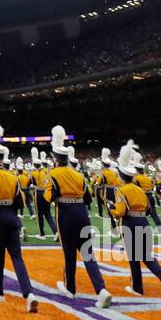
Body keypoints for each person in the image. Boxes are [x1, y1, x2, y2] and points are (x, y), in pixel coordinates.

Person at [46, 127, 112, 307]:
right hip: (82, 214)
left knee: (69, 254)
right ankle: (101, 290)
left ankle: (71, 288)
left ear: (55, 158)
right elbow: (88, 197)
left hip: (66, 215)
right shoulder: (79, 174)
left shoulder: (52, 174)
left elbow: (47, 198)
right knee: (88, 254)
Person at [112, 143, 161, 302]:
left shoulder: (122, 190)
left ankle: (137, 287)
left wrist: (112, 209)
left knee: (134, 258)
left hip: (130, 223)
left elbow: (120, 212)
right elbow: (149, 210)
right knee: (146, 256)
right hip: (144, 222)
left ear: (122, 176)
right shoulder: (140, 191)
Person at [0, 123, 39, 312]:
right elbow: (20, 203)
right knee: (17, 257)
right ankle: (29, 293)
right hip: (12, 217)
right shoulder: (13, 177)